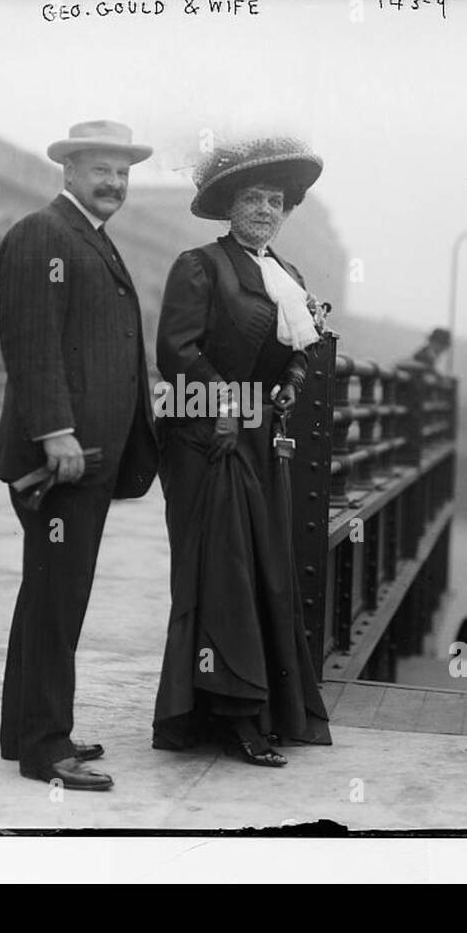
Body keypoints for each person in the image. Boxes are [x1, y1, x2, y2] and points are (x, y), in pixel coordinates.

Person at [151, 136, 332, 767]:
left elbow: (302, 351)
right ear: (231, 206)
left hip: (261, 441)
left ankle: (259, 709)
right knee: (219, 571)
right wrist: (226, 399)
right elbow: (176, 351)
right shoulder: (200, 266)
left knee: (262, 570)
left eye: (275, 201)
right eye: (253, 198)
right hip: (206, 439)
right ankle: (225, 716)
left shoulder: (289, 277)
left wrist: (291, 382)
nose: (264, 210)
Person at [0, 120, 160, 791]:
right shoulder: (44, 234)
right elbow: (32, 345)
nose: (113, 183)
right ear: (67, 171)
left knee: (47, 595)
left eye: (122, 173)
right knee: (59, 599)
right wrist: (56, 432)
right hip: (63, 457)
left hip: (88, 457)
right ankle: (44, 746)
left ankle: (24, 732)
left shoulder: (88, 239)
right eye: (100, 170)